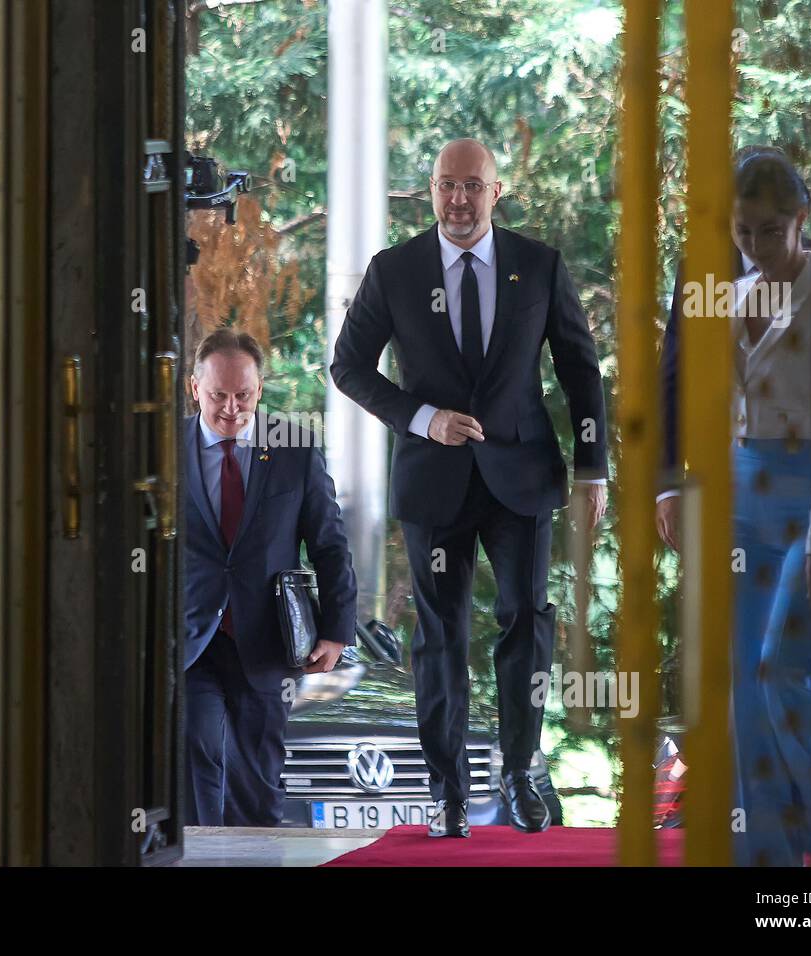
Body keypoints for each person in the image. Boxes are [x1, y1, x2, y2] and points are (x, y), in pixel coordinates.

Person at [330, 138, 609, 837]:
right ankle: (446, 792)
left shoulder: (537, 266)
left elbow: (580, 368)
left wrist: (592, 467)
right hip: (434, 482)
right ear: (431, 190)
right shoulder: (395, 271)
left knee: (525, 618)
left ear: (496, 190)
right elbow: (348, 366)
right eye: (445, 186)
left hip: (522, 477)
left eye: (471, 187)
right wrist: (422, 418)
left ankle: (520, 768)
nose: (457, 199)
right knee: (441, 637)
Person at [655, 147, 811, 866]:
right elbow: (675, 377)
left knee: (779, 667)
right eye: (743, 230)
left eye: (769, 230)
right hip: (733, 492)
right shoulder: (717, 280)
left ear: (801, 219)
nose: (752, 246)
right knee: (741, 693)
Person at [183, 328, 358, 827]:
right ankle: (195, 857)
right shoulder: (163, 449)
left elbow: (329, 543)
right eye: (219, 395)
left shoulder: (294, 449)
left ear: (261, 389)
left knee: (256, 775)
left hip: (266, 639)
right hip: (191, 637)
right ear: (195, 388)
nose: (232, 408)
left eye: (244, 394)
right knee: (196, 745)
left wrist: (336, 631)